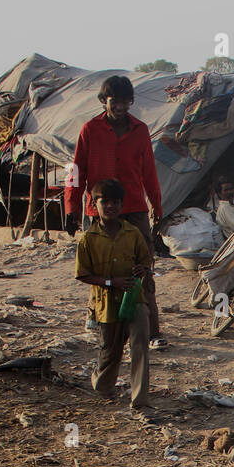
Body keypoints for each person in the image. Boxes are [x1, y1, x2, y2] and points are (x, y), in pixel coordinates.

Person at [64, 76, 164, 344]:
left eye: (125, 102)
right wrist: (71, 207)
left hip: (133, 206)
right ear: (103, 101)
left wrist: (157, 207)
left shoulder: (140, 130)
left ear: (130, 103)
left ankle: (150, 329)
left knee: (142, 266)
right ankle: (95, 315)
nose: (120, 107)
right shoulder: (90, 130)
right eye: (114, 102)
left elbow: (149, 172)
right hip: (100, 209)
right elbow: (76, 171)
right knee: (99, 266)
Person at [75, 179, 156, 420]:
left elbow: (145, 261)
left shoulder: (133, 234)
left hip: (134, 297)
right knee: (110, 350)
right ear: (95, 205)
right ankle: (101, 383)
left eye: (115, 202)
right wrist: (111, 282)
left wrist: (143, 269)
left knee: (140, 343)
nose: (110, 206)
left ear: (122, 206)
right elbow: (83, 274)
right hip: (107, 302)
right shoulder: (88, 239)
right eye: (105, 202)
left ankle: (140, 399)